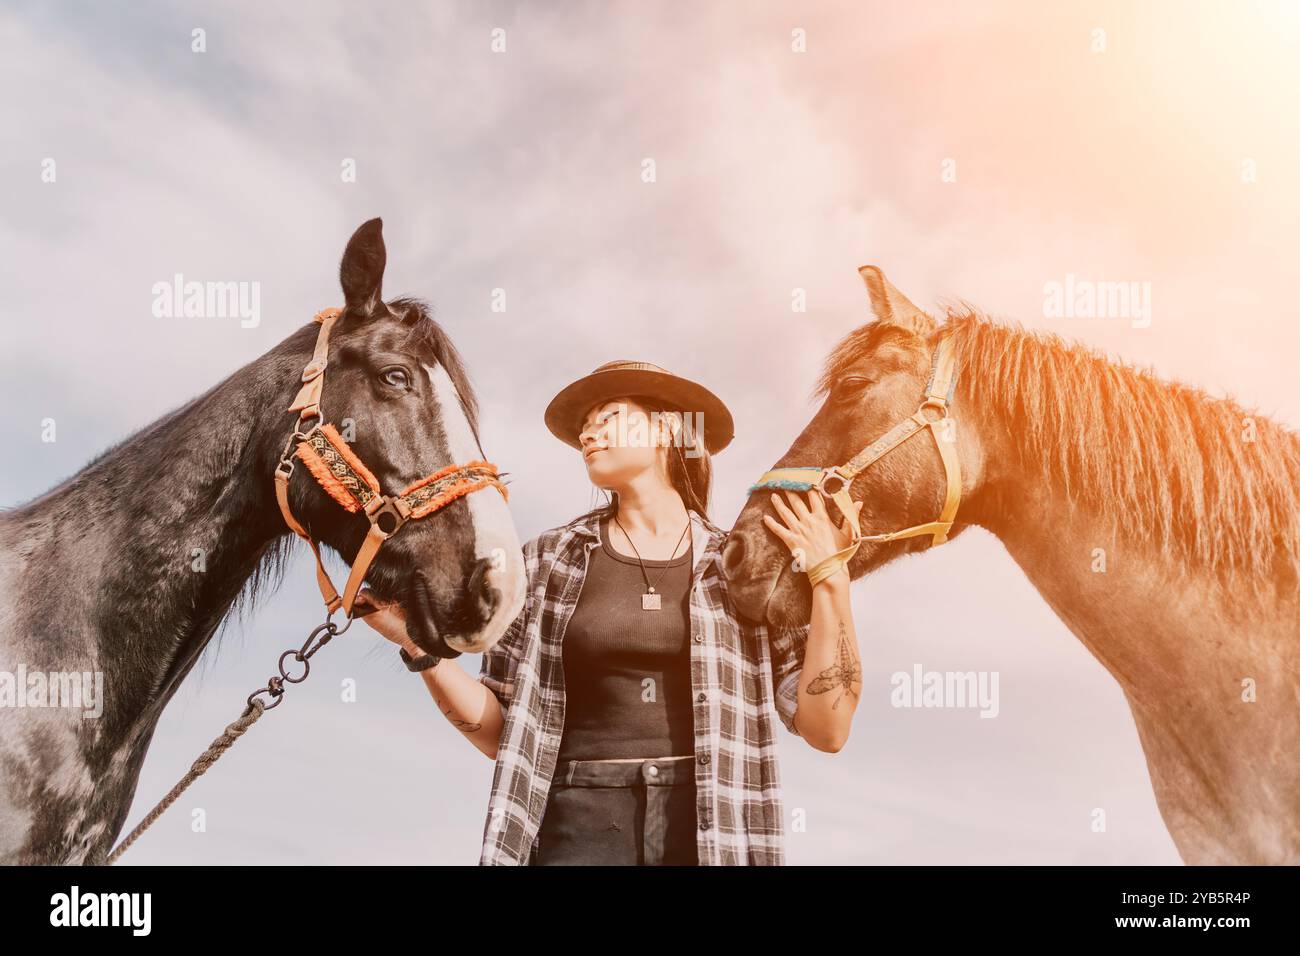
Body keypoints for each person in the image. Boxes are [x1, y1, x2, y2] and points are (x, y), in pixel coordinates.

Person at [355, 359, 863, 865]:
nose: (589, 433)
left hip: (711, 834)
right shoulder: (545, 561)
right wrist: (417, 644)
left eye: (609, 415)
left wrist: (831, 579)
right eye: (584, 426)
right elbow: (499, 734)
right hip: (575, 831)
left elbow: (827, 728)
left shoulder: (738, 567)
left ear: (666, 429)